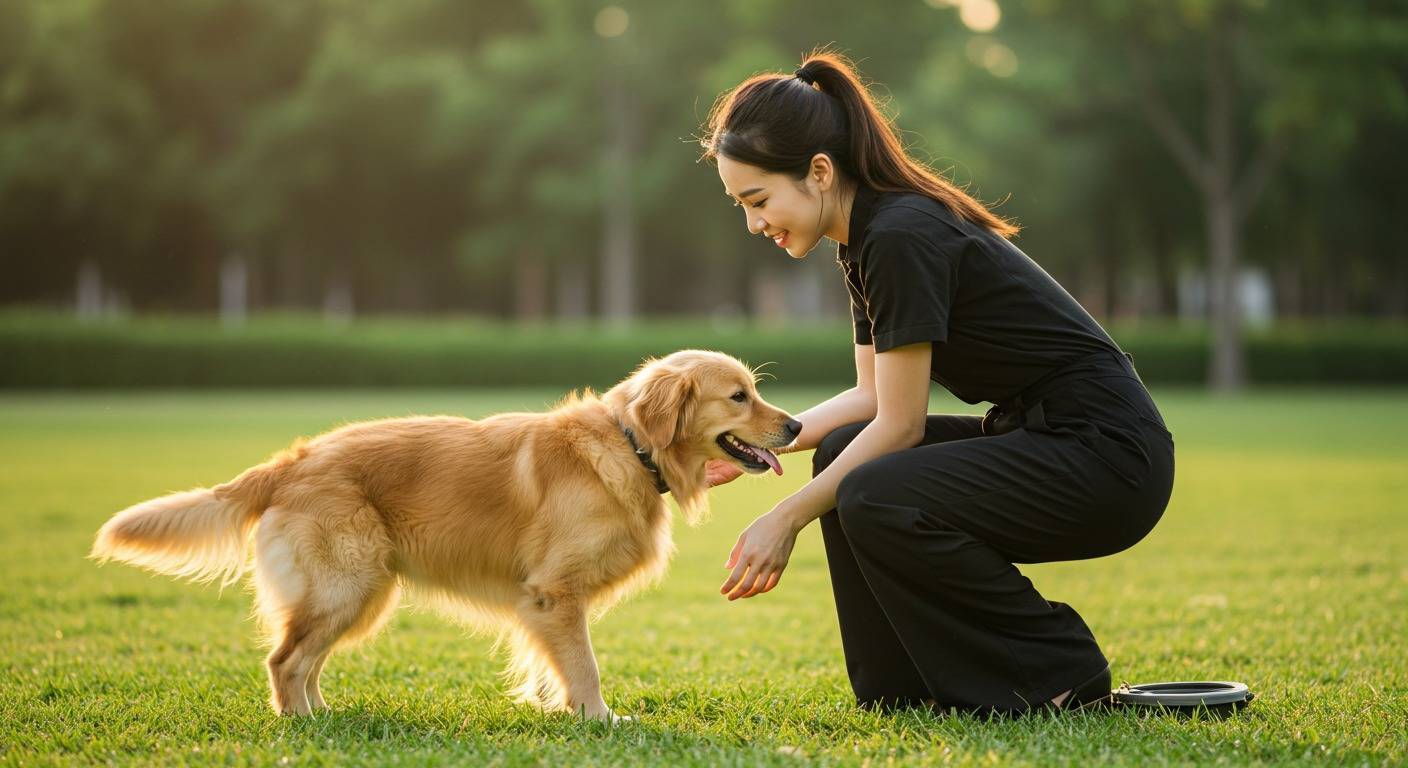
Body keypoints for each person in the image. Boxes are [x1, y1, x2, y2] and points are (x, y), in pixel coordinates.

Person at [698, 51, 1175, 716]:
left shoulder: (900, 233)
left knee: (873, 489)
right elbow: (870, 400)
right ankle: (902, 688)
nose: (755, 223)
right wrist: (752, 447)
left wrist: (786, 517)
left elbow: (901, 425)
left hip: (1108, 456)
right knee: (846, 458)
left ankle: (1058, 671)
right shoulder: (861, 241)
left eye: (758, 200)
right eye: (741, 206)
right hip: (1049, 438)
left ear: (819, 171)